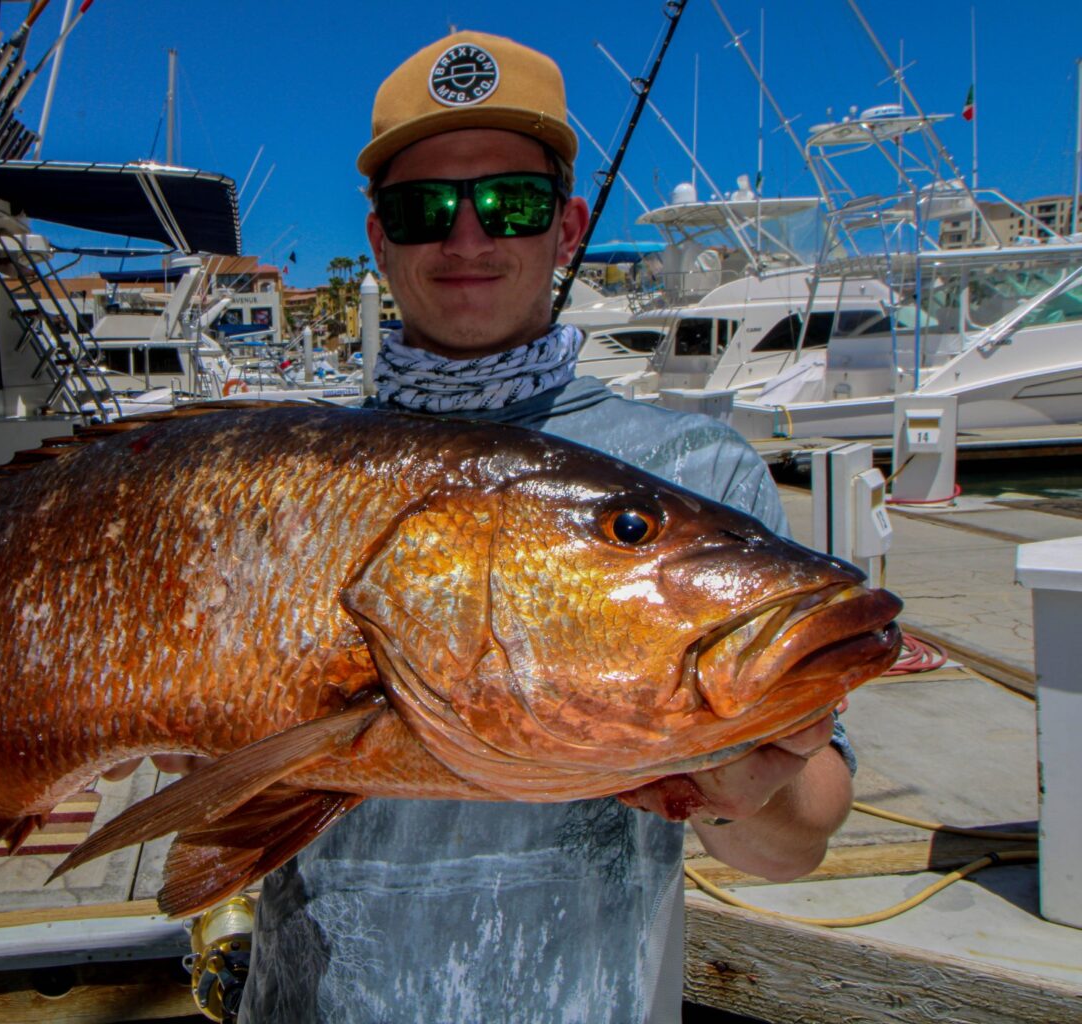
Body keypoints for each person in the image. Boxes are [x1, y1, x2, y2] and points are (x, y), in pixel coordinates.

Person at [238, 31, 856, 1024]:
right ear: (379, 235)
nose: (469, 239)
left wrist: (746, 788)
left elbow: (799, 841)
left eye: (512, 203)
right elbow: (205, 789)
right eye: (424, 207)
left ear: (567, 228)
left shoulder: (695, 474)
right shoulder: (273, 477)